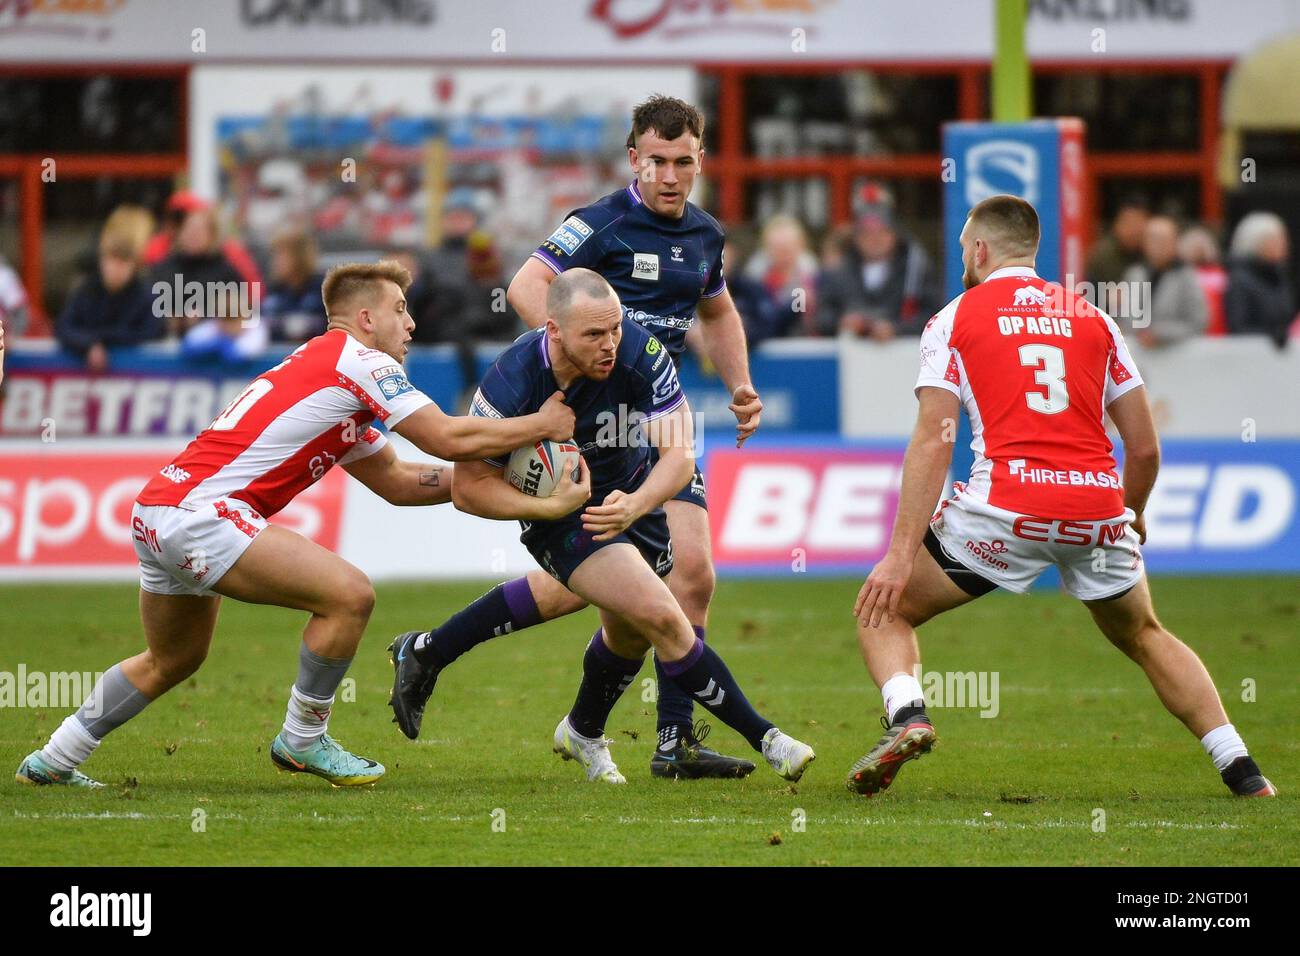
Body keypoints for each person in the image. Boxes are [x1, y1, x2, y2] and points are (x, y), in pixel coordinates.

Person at [15, 261, 575, 790]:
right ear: (365, 320)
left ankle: (53, 760)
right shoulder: (363, 362)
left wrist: (499, 482)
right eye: (400, 309)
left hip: (159, 510)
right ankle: (302, 738)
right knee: (349, 596)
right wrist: (540, 424)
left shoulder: (327, 372)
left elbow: (401, 482)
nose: (411, 323)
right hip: (202, 514)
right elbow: (447, 438)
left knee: (173, 658)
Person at [385, 95, 764, 780]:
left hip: (656, 426)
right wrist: (577, 366)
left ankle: (673, 740)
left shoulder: (705, 235)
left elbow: (719, 308)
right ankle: (437, 652)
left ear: (701, 159)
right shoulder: (599, 224)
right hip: (590, 431)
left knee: (689, 574)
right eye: (657, 161)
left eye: (684, 162)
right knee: (597, 587)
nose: (671, 176)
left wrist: (738, 383)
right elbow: (530, 285)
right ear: (634, 160)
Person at [846, 195, 1274, 799]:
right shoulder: (1096, 320)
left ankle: (908, 717)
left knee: (883, 609)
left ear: (980, 250)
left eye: (966, 247)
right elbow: (1145, 449)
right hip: (1096, 511)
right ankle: (1244, 771)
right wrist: (1134, 511)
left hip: (1004, 513)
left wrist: (898, 553)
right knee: (1146, 634)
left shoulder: (954, 318)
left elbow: (932, 443)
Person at [389, 269, 815, 784]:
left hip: (634, 494)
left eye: (614, 328)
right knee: (663, 613)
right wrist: (549, 508)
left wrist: (637, 504)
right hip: (564, 516)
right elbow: (469, 488)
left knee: (629, 633)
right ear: (554, 332)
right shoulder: (513, 380)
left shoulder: (640, 350)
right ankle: (768, 739)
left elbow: (679, 456)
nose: (610, 343)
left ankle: (577, 728)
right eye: (593, 335)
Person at [814, 183, 943, 339]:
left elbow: (935, 315)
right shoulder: (838, 271)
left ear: (894, 234)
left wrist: (896, 329)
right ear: (855, 237)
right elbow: (822, 317)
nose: (874, 240)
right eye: (866, 234)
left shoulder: (916, 270)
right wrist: (842, 323)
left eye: (882, 232)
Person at [57, 224, 163, 371]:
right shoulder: (86, 291)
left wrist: (102, 340)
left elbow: (152, 331)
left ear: (135, 266)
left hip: (138, 373)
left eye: (123, 262)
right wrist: (89, 344)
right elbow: (63, 327)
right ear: (101, 261)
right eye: (112, 260)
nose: (116, 268)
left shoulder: (147, 296)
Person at [1121, 215, 1207, 347]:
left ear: (1175, 243)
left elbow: (1198, 322)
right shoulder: (1135, 274)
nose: (1158, 246)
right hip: (1137, 355)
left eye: (1163, 240)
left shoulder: (1186, 277)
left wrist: (1160, 334)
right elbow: (1125, 320)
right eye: (1152, 239)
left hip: (1177, 355)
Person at [1225, 211, 1295, 348]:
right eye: (1279, 239)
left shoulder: (1279, 276)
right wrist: (1273, 335)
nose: (1286, 244)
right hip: (1250, 358)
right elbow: (1238, 327)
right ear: (1258, 242)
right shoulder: (1239, 280)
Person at [743, 214, 819, 338]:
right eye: (778, 249)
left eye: (788, 248)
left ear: (801, 246)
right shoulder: (752, 281)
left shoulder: (815, 278)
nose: (783, 255)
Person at [1085, 196, 1148, 316]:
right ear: (1117, 225)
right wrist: (1107, 296)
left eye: (1139, 224)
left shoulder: (1150, 252)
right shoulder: (1102, 255)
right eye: (1129, 223)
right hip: (1112, 317)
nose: (1134, 230)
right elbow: (1089, 296)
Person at [261, 227, 327, 343]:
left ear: (300, 256)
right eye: (275, 255)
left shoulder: (324, 290)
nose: (276, 261)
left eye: (281, 254)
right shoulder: (274, 292)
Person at [1179, 224, 1228, 337]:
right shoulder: (1180, 274)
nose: (1197, 251)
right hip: (1190, 331)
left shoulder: (1218, 273)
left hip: (1218, 331)